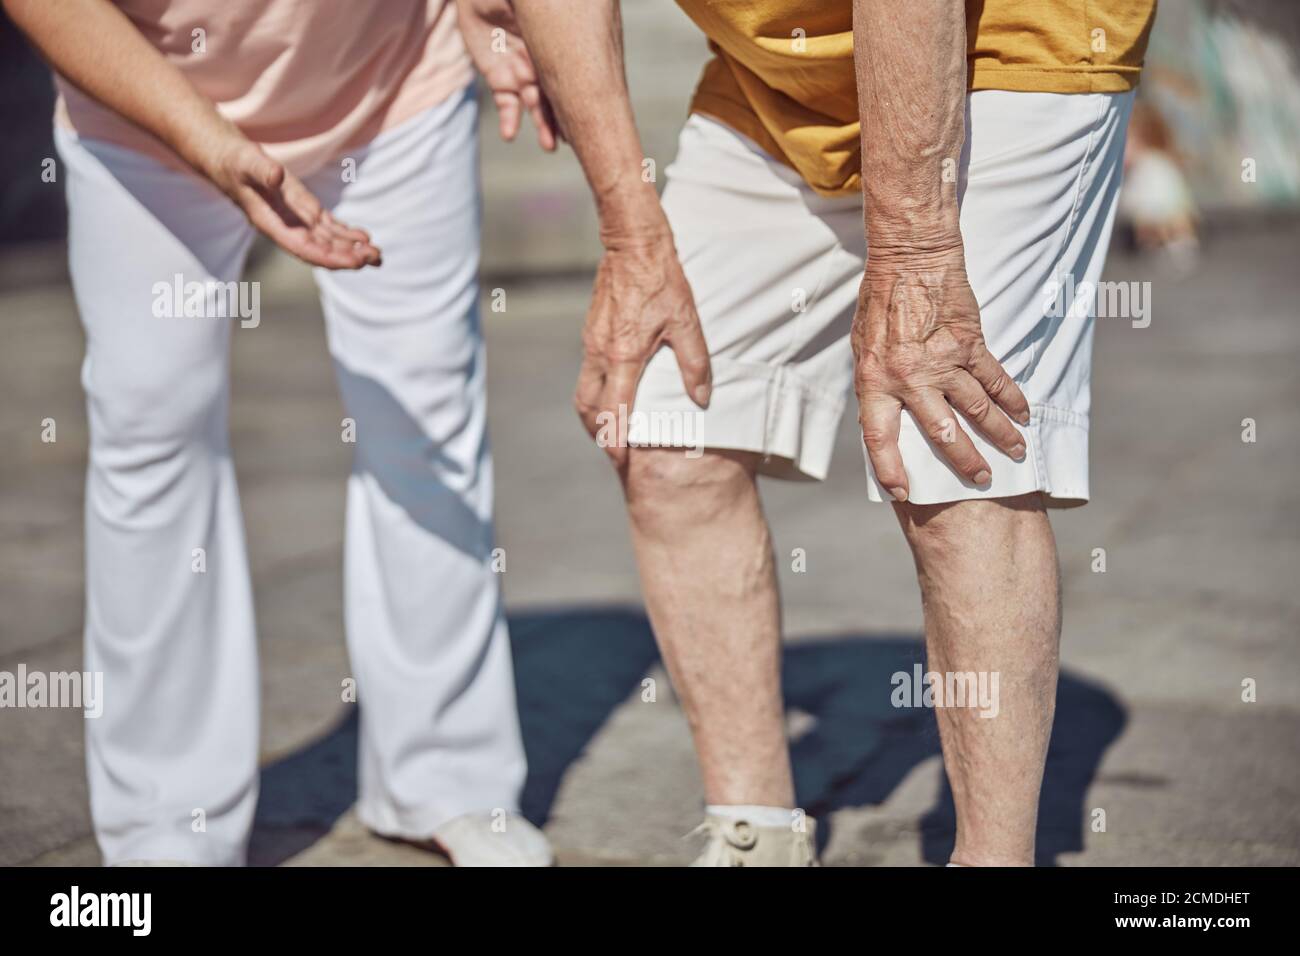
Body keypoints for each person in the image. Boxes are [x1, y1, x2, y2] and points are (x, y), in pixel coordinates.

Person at [513, 0, 1156, 864]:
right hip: (782, 59)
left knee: (952, 436)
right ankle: (757, 841)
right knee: (664, 424)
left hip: (1012, 31)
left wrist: (916, 251)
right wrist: (631, 238)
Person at [5, 0, 556, 866]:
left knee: (426, 410)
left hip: (389, 86)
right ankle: (166, 824)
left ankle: (447, 777)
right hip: (145, 115)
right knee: (152, 425)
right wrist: (214, 146)